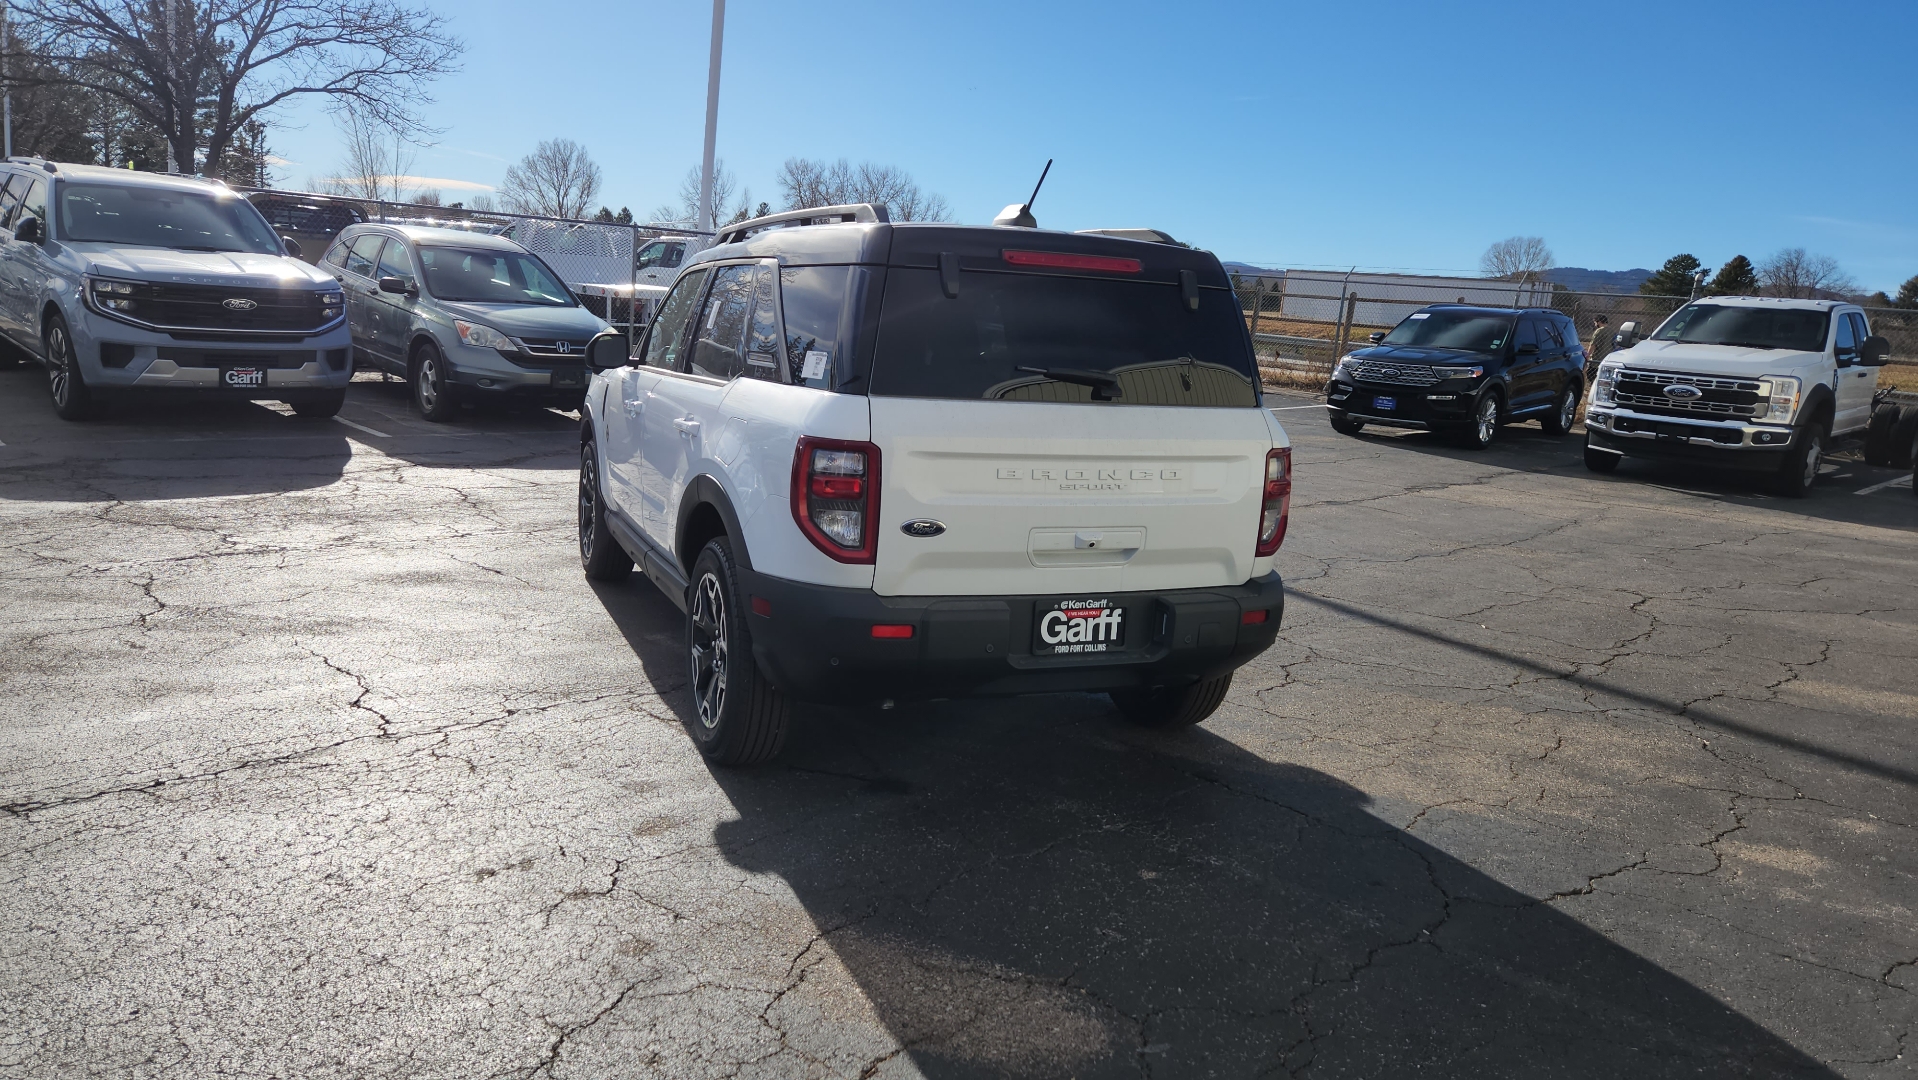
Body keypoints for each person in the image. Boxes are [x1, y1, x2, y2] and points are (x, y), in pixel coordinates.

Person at [1586, 314, 1614, 381]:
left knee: (1590, 375)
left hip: (1596, 360)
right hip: (1608, 359)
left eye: (1595, 322)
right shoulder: (1612, 331)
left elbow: (1593, 344)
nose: (1595, 324)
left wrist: (1587, 356)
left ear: (1598, 322)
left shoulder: (1599, 330)